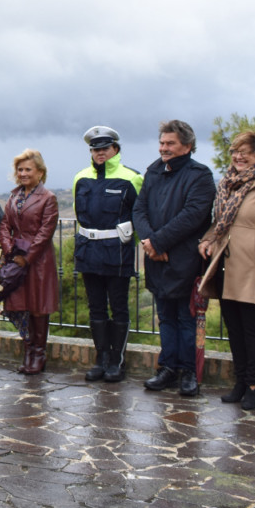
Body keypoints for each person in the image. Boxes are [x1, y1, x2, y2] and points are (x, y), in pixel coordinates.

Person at [197, 131, 255, 411]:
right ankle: (240, 382)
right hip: (227, 265)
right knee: (234, 328)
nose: (238, 157)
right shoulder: (228, 183)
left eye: (244, 152)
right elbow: (222, 223)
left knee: (253, 327)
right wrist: (208, 239)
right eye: (234, 152)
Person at [132, 120, 215, 397]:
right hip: (156, 257)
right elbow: (139, 209)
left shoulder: (200, 175)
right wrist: (148, 240)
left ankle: (190, 372)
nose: (163, 148)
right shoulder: (154, 171)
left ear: (187, 146)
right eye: (162, 143)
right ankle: (167, 368)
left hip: (185, 259)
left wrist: (158, 241)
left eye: (170, 144)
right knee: (165, 317)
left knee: (186, 317)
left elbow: (192, 216)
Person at [72, 126, 143, 383]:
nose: (100, 153)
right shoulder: (80, 177)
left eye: (104, 148)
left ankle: (117, 362)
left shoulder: (132, 178)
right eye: (95, 149)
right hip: (89, 251)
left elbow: (140, 215)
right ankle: (101, 360)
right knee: (96, 308)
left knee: (119, 307)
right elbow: (80, 214)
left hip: (117, 252)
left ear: (115, 149)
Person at [0, 149, 60, 375]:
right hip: (16, 259)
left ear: (40, 172)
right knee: (22, 307)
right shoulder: (14, 196)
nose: (23, 173)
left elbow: (45, 233)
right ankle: (28, 351)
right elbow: (5, 225)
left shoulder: (49, 198)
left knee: (38, 308)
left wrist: (27, 258)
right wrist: (9, 251)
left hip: (39, 262)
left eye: (27, 169)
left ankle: (39, 354)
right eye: (20, 169)